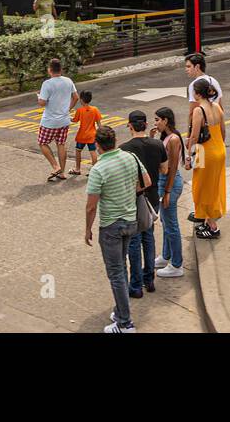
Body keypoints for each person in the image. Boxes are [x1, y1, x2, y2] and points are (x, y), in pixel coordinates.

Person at [85, 126, 150, 333]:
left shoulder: (98, 169)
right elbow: (146, 182)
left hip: (111, 226)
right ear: (114, 141)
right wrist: (127, 193)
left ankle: (125, 322)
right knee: (121, 268)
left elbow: (91, 206)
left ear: (97, 145)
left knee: (116, 273)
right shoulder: (130, 157)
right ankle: (120, 310)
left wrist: (87, 230)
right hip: (130, 221)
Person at [121, 110, 166, 299]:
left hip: (134, 199)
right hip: (153, 197)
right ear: (146, 125)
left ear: (129, 125)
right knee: (149, 237)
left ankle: (136, 285)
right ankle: (150, 279)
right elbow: (164, 169)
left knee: (134, 241)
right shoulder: (157, 145)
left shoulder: (124, 148)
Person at [187, 77, 226, 240]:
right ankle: (207, 215)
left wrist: (188, 155)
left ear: (197, 94)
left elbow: (194, 136)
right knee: (214, 186)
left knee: (201, 186)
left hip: (204, 152)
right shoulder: (217, 107)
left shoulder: (198, 110)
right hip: (219, 150)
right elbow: (223, 132)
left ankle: (210, 224)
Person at [151, 106, 186, 277]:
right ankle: (166, 256)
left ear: (165, 120)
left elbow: (171, 168)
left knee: (171, 226)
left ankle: (177, 265)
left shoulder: (173, 140)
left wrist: (167, 191)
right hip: (164, 182)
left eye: (157, 120)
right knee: (165, 222)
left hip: (169, 183)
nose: (155, 123)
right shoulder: (166, 137)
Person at [37, 58, 79, 182]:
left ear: (49, 70)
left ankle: (55, 166)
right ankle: (62, 172)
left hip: (49, 121)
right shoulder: (68, 81)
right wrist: (68, 109)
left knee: (42, 143)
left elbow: (42, 103)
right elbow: (76, 97)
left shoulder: (47, 84)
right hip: (64, 120)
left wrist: (39, 97)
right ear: (61, 70)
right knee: (61, 144)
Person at [68, 89, 102, 175]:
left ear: (82, 100)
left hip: (82, 135)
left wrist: (68, 117)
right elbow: (99, 123)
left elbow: (75, 120)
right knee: (93, 152)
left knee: (78, 151)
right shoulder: (95, 109)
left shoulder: (80, 110)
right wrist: (101, 132)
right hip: (92, 135)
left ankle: (77, 169)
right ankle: (94, 171)